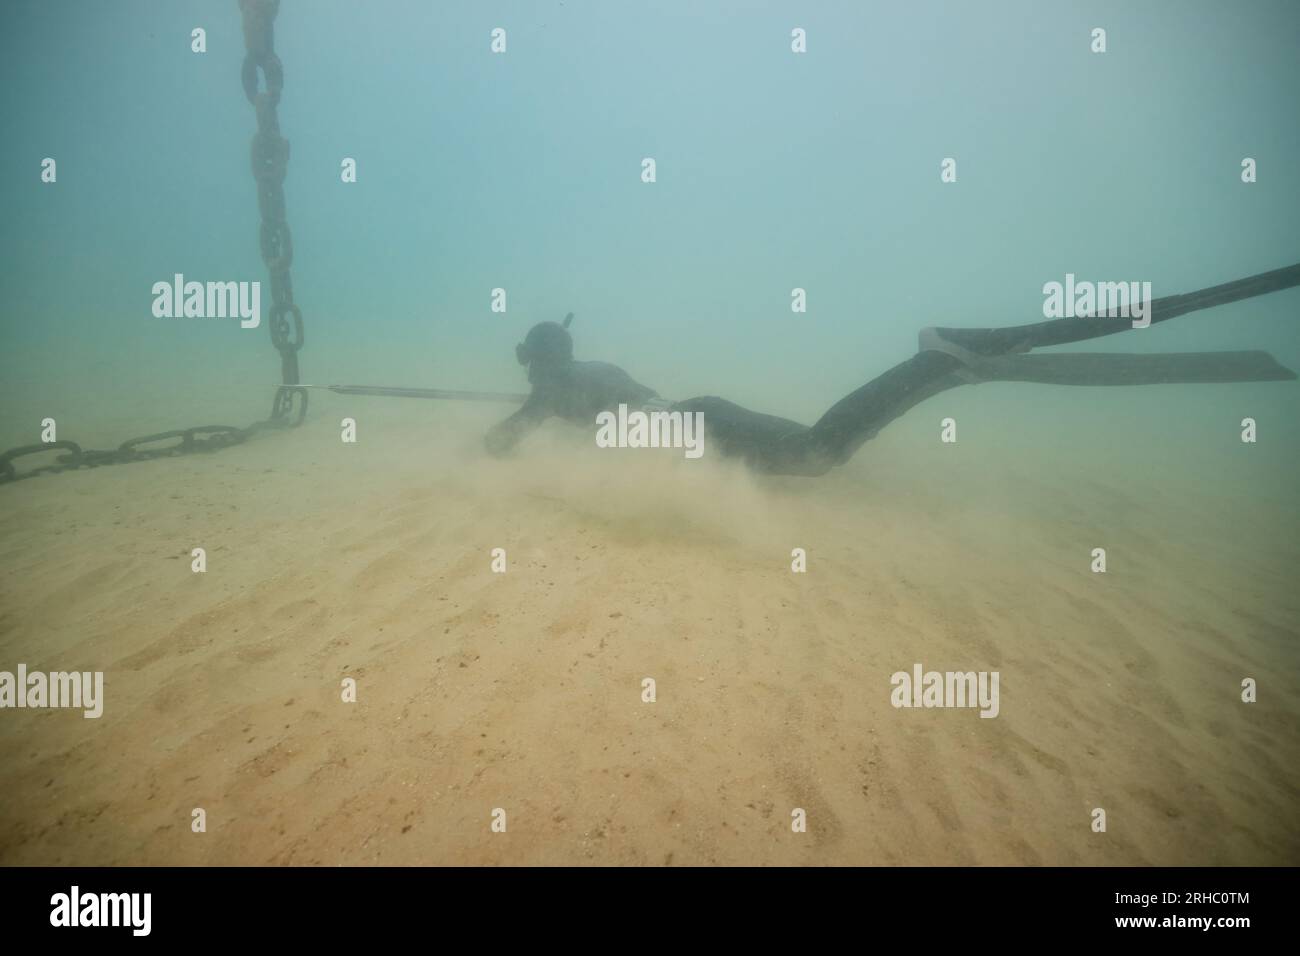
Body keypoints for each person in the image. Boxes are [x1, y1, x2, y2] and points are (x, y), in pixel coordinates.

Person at [486, 264, 1300, 477]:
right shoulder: (589, 368)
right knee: (811, 448)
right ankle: (943, 367)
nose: (530, 377)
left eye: (530, 367)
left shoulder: (555, 387)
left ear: (539, 363)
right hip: (696, 413)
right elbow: (613, 406)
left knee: (814, 457)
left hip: (693, 423)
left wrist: (500, 440)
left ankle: (938, 360)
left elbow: (520, 430)